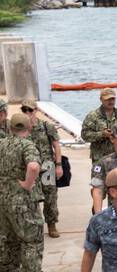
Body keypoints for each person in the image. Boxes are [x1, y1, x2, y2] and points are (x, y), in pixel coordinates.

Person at [0, 113, 54, 272]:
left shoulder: (2, 143)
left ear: (11, 128)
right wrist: (27, 184)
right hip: (22, 201)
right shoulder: (27, 144)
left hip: (3, 199)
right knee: (32, 238)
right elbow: (33, 166)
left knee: (10, 238)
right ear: (28, 127)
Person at [22, 99, 63, 238]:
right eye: (24, 110)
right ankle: (34, 226)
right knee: (30, 197)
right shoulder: (21, 128)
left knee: (50, 196)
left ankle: (52, 225)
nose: (27, 113)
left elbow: (56, 146)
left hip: (47, 167)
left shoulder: (46, 126)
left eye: (30, 110)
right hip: (29, 168)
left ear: (36, 110)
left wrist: (58, 165)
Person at [80, 88, 117, 165]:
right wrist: (102, 134)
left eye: (113, 99)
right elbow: (84, 135)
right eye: (108, 99)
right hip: (100, 159)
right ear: (101, 99)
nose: (111, 101)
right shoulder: (93, 116)